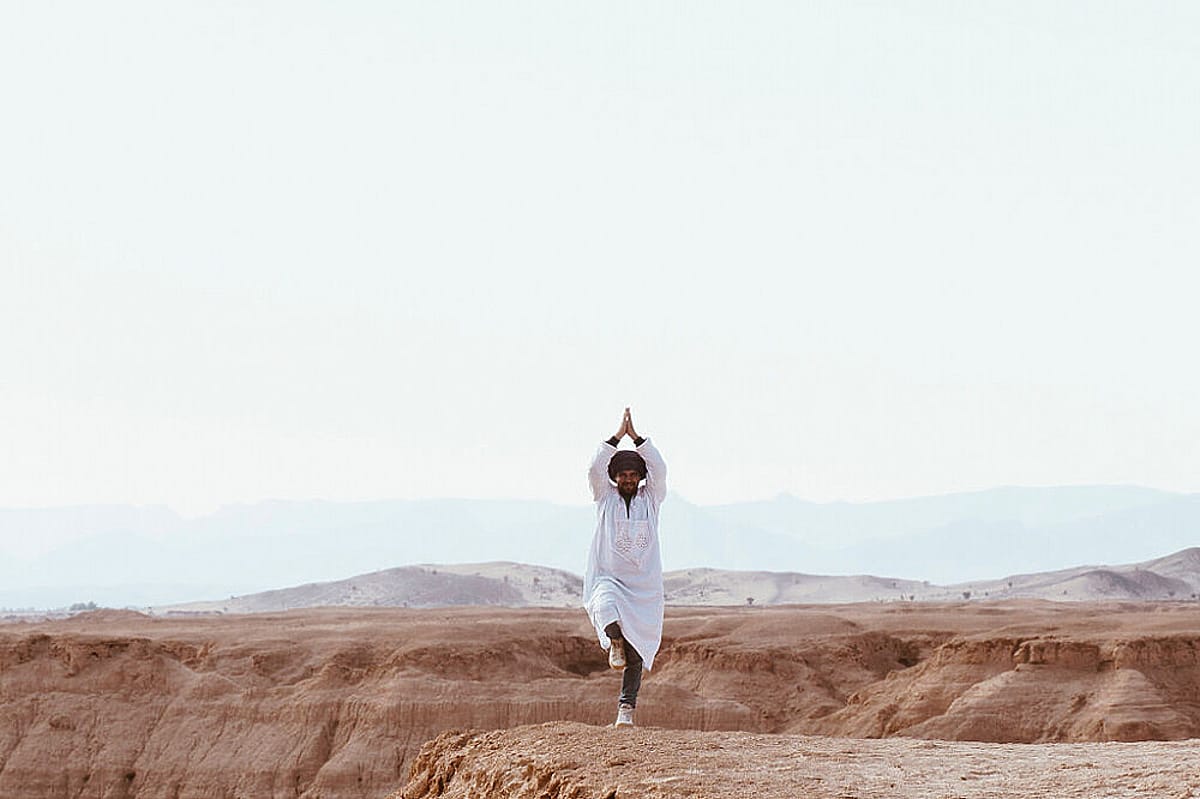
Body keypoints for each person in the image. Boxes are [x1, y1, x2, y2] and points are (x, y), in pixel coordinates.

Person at [583, 407, 667, 728]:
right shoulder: (605, 498)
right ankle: (614, 641)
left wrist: (638, 439)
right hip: (609, 578)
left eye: (633, 475)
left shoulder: (652, 500)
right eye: (623, 475)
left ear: (638, 478)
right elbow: (594, 468)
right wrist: (617, 436)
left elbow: (659, 468)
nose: (628, 479)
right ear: (616, 478)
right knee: (603, 605)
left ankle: (625, 711)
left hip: (643, 588)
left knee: (636, 654)